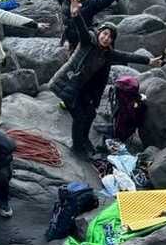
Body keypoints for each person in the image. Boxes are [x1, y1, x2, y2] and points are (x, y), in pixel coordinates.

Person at [49, 22, 154, 156]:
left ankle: (84, 139)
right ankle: (76, 147)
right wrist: (76, 15)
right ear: (99, 33)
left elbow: (128, 56)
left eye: (110, 37)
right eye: (105, 34)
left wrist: (149, 61)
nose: (106, 38)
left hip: (84, 89)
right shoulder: (88, 42)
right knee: (79, 117)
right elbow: (81, 28)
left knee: (91, 114)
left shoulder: (108, 53)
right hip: (68, 85)